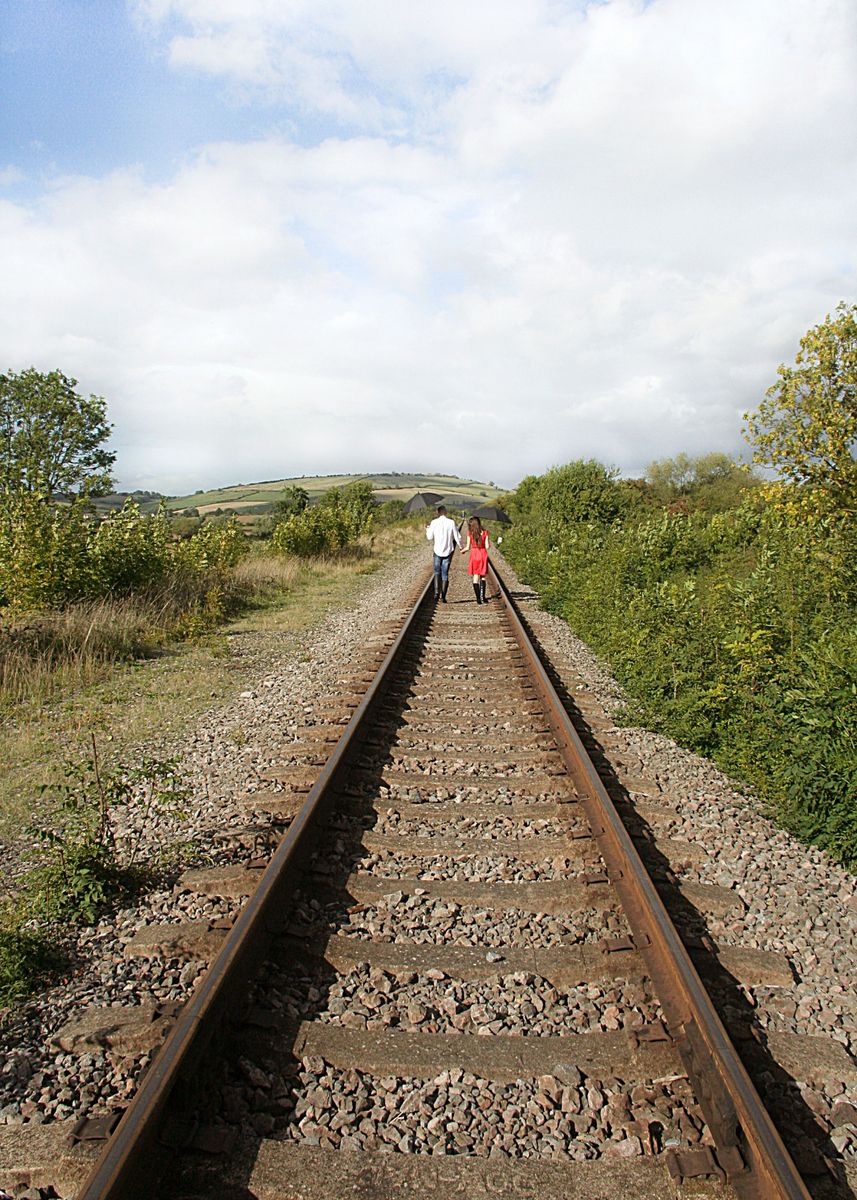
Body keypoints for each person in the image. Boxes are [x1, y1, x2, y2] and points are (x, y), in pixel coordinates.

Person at [425, 504, 462, 602]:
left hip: (437, 551)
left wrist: (427, 529)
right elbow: (456, 536)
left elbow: (429, 537)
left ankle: (437, 593)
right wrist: (461, 547)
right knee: (445, 574)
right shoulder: (451, 522)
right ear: (445, 512)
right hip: (448, 551)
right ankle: (443, 596)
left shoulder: (434, 522)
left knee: (437, 571)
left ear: (438, 512)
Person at [461, 515, 489, 604]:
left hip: (474, 555)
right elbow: (487, 546)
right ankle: (482, 596)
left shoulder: (470, 533)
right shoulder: (485, 532)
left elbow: (467, 547)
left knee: (475, 577)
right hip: (483, 554)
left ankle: (478, 599)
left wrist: (462, 551)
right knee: (483, 576)